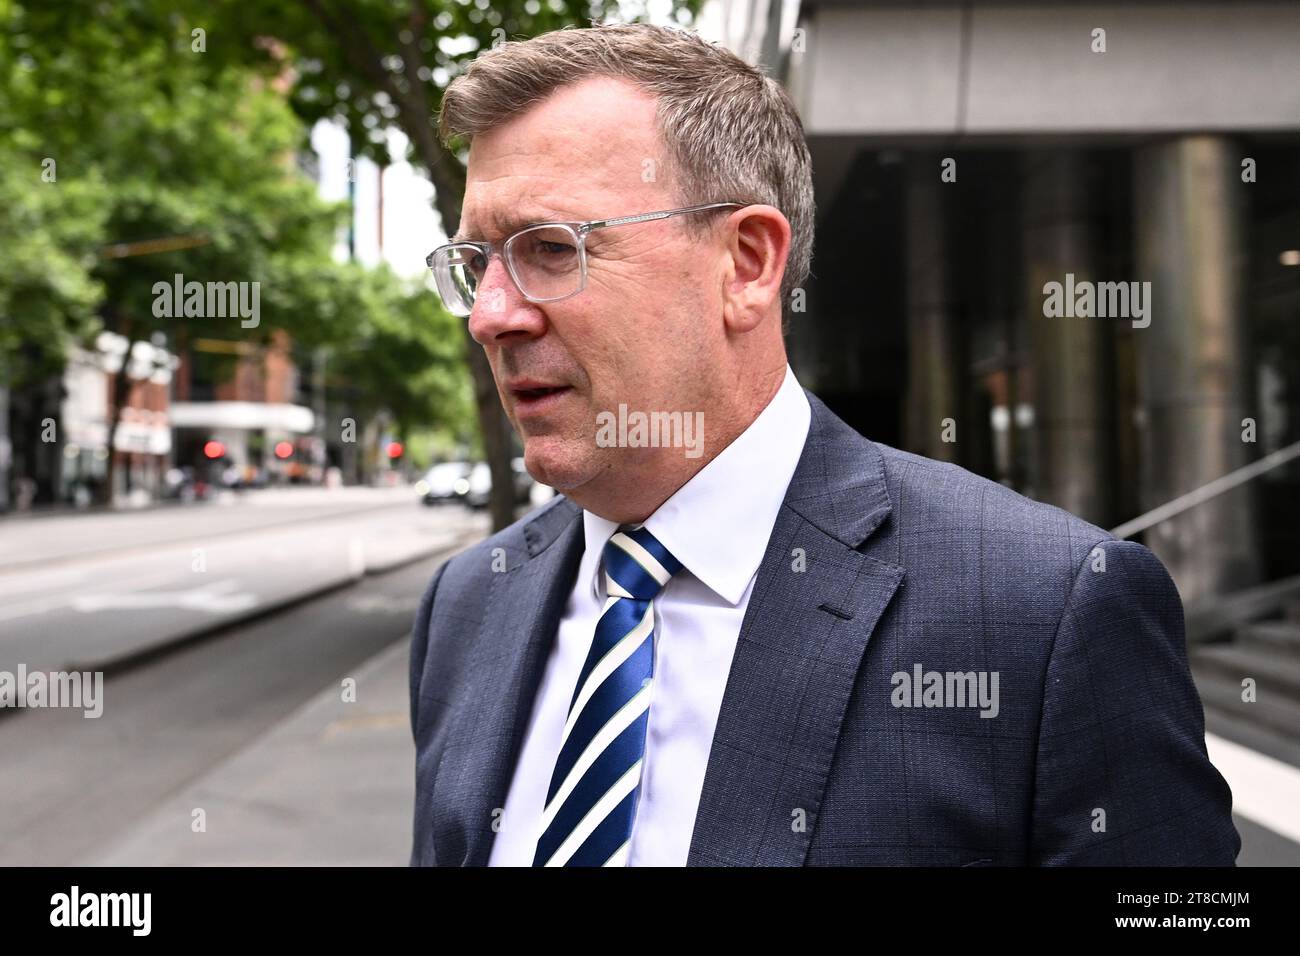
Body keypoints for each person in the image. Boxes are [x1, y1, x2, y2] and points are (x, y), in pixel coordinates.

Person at [408, 23, 1239, 866]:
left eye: (551, 249)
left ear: (746, 263)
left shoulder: (1047, 611)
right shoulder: (469, 604)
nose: (490, 315)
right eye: (477, 263)